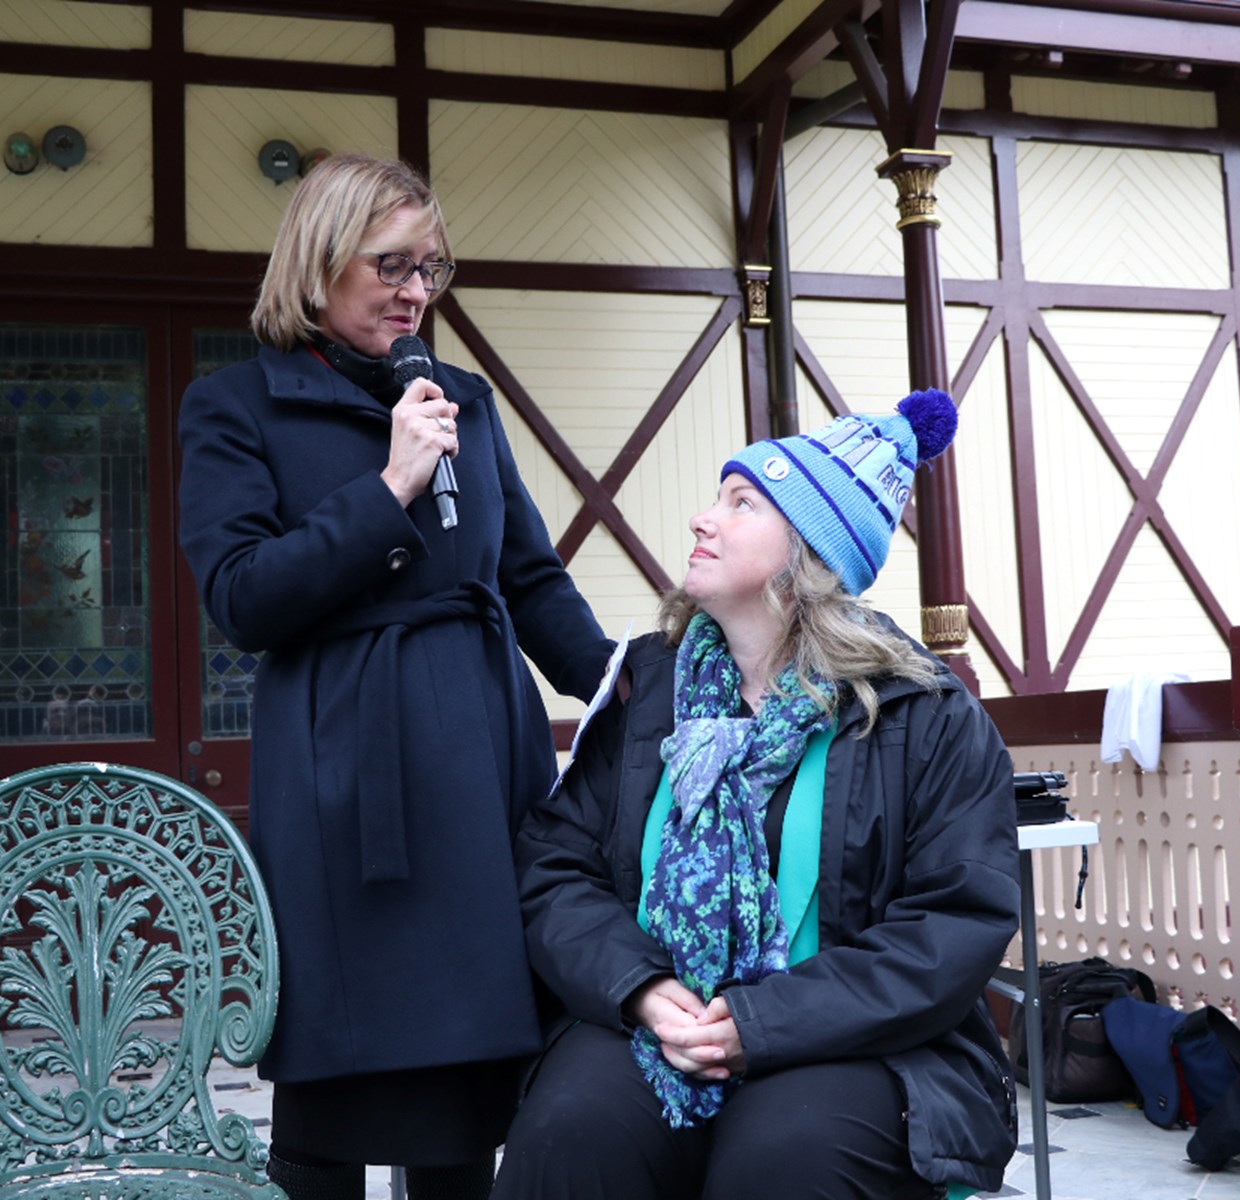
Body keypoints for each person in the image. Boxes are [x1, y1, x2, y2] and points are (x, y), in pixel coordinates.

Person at [177, 154, 611, 1200]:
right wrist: (390, 486)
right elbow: (241, 599)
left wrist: (624, 687)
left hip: (482, 756)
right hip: (342, 766)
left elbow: (528, 578)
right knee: (341, 1055)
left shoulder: (461, 397)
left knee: (467, 1078)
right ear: (319, 260)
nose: (418, 291)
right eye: (393, 265)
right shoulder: (236, 405)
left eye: (432, 267)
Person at [494, 392, 1022, 1200]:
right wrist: (638, 986)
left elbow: (955, 921)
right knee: (571, 1133)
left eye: (742, 502)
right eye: (716, 496)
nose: (705, 519)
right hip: (657, 1016)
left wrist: (761, 1023)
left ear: (809, 553)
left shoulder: (926, 713)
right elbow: (555, 868)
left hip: (858, 1040)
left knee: (785, 1160)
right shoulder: (648, 695)